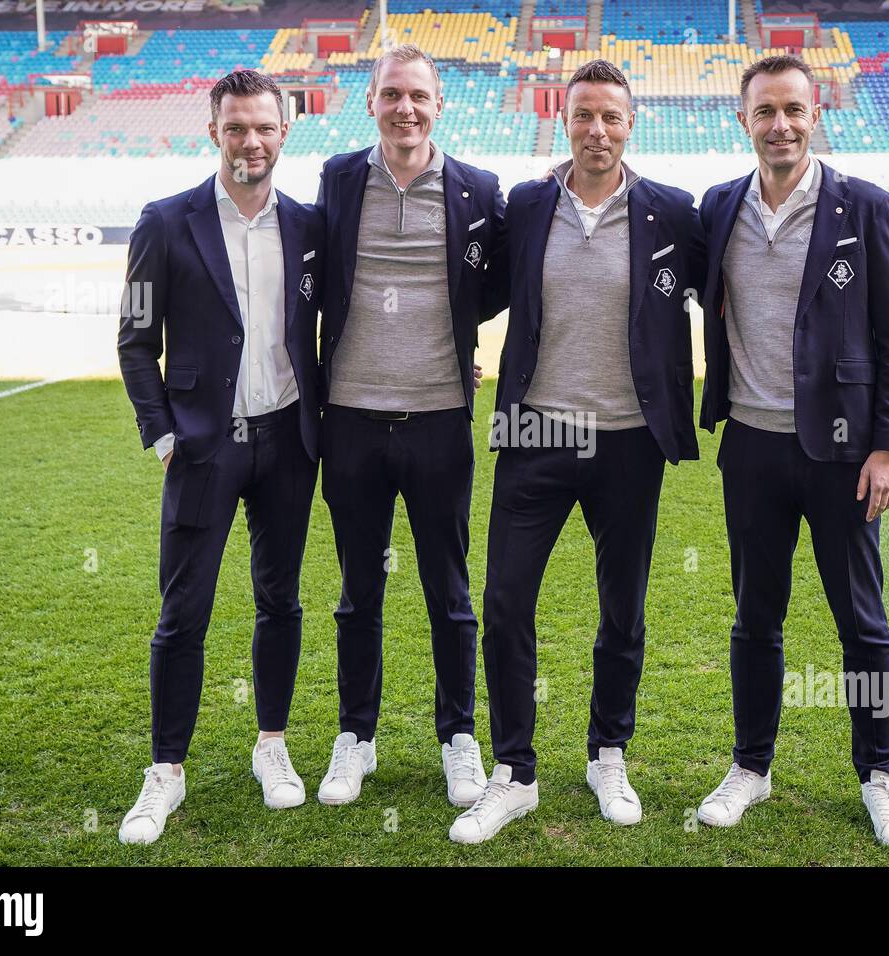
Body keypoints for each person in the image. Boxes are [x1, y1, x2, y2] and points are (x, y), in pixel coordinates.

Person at [449, 59, 704, 844]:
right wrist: (456, 359)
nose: (598, 130)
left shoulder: (673, 212)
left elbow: (732, 297)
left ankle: (607, 753)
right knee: (504, 603)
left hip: (631, 440)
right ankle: (514, 772)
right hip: (537, 433)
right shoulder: (525, 206)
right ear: (564, 119)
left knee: (621, 608)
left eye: (612, 118)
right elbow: (466, 290)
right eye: (584, 115)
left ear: (633, 124)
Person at [695, 54, 889, 847]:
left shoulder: (865, 206)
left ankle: (880, 776)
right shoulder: (719, 206)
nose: (781, 125)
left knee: (861, 621)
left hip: (841, 455)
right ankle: (750, 767)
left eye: (794, 109)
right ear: (744, 119)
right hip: (751, 448)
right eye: (766, 112)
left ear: (816, 113)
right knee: (756, 617)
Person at [116, 70, 324, 844]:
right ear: (214, 132)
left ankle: (271, 744)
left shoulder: (309, 226)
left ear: (283, 133)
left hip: (288, 441)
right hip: (204, 449)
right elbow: (135, 339)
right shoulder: (165, 222)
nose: (251, 141)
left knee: (281, 600)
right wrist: (165, 434)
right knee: (183, 614)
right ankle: (165, 769)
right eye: (236, 128)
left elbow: (349, 318)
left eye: (263, 128)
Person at [313, 44, 506, 809]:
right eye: (392, 95)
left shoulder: (476, 189)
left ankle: (459, 736)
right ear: (371, 102)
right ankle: (354, 737)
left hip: (436, 421)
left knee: (449, 592)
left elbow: (489, 286)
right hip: (351, 420)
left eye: (418, 96)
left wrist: (459, 347)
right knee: (359, 593)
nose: (406, 109)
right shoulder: (337, 179)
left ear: (439, 104)